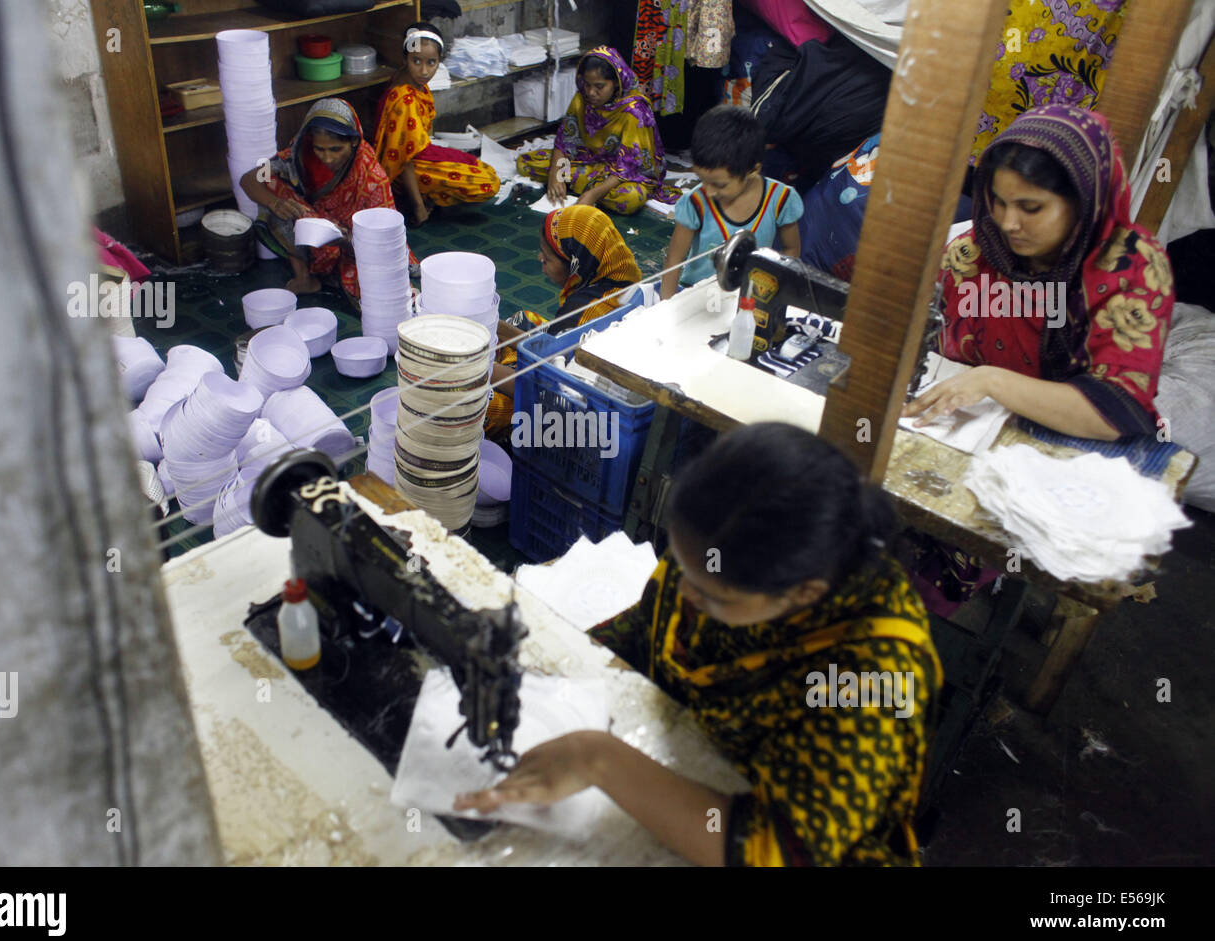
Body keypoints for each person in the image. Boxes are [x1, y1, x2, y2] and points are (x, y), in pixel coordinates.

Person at [455, 423, 942, 866]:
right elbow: (648, 628)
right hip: (693, 758)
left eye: (713, 597)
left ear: (803, 595)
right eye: (683, 567)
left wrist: (597, 759)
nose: (685, 593)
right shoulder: (715, 554)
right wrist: (550, 673)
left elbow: (781, 851)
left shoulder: (873, 678)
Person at [902, 105, 1175, 615]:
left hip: (1063, 449)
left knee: (942, 550)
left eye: (1031, 207)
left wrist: (992, 381)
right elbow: (929, 332)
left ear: (1082, 202)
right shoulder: (977, 250)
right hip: (966, 421)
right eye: (998, 201)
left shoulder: (1128, 267)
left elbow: (1118, 408)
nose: (1008, 223)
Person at [485, 205, 640, 438]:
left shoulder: (583, 314)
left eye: (547, 258)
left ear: (576, 263)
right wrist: (494, 325)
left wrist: (478, 366)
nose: (540, 260)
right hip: (565, 363)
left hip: (563, 408)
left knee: (475, 406)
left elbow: (541, 392)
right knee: (522, 320)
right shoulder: (621, 277)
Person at [240, 98, 414, 299]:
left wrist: (345, 239)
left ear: (354, 142)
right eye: (319, 149)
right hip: (315, 225)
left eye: (336, 149)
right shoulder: (298, 156)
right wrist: (276, 203)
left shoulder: (371, 176)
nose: (327, 158)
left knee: (379, 287)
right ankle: (304, 278)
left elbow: (383, 234)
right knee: (275, 191)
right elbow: (249, 178)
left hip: (354, 239)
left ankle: (330, 266)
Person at [661, 104, 803, 300]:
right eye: (702, 180)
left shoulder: (780, 200)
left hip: (747, 296)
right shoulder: (695, 203)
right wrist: (666, 309)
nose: (708, 191)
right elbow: (674, 261)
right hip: (694, 296)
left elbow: (791, 249)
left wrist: (773, 288)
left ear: (752, 170)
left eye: (719, 185)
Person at [516, 47, 679, 215]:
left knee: (629, 198)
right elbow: (565, 141)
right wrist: (555, 175)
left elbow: (630, 168)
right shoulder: (582, 99)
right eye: (587, 84)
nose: (591, 92)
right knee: (525, 163)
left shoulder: (634, 111)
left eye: (599, 86)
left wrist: (593, 195)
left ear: (616, 82)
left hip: (619, 177)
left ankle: (585, 188)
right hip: (587, 163)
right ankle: (576, 184)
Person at [373, 22, 500, 225]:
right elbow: (403, 160)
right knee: (488, 183)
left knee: (487, 171)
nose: (424, 71)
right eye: (416, 61)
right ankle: (420, 199)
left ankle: (428, 196)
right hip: (406, 168)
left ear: (439, 61)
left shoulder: (413, 81)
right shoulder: (404, 98)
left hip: (419, 154)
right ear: (405, 58)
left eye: (431, 63)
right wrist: (419, 208)